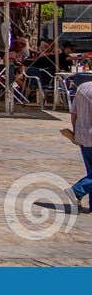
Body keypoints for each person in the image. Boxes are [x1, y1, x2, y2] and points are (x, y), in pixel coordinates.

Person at [69, 77, 92, 213]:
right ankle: (77, 190)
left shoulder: (82, 87)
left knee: (91, 173)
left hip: (83, 136)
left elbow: (74, 113)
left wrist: (75, 132)